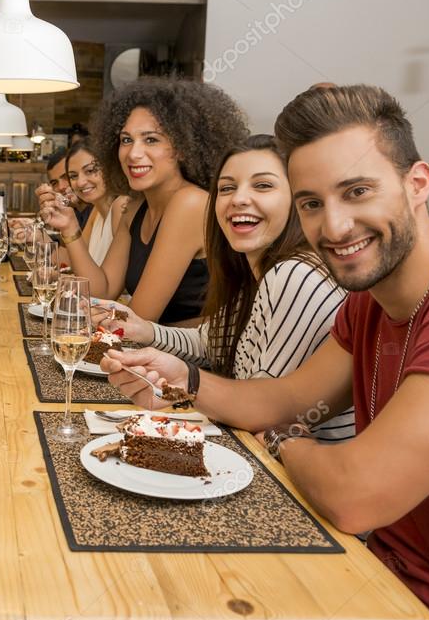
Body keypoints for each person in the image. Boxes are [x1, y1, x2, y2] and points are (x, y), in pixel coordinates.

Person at [102, 85, 429, 620]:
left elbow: (352, 496)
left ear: (417, 183)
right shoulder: (368, 304)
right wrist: (186, 380)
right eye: (312, 203)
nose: (335, 227)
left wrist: (282, 440)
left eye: (357, 191)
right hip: (366, 574)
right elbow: (283, 398)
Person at [96, 135, 352, 441]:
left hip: (299, 463)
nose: (239, 199)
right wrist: (143, 330)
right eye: (227, 188)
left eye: (263, 185)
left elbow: (262, 409)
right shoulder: (251, 274)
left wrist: (189, 383)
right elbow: (209, 343)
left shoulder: (294, 274)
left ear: (299, 201)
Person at [41, 78, 248, 325]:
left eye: (151, 139)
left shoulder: (190, 203)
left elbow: (139, 319)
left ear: (183, 147)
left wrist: (96, 314)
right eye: (126, 140)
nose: (133, 153)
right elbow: (102, 290)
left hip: (188, 349)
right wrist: (69, 228)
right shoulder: (134, 208)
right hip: (147, 344)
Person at [58, 138, 131, 265]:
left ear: (110, 168)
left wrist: (69, 226)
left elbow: (112, 279)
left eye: (90, 171)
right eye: (73, 176)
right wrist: (37, 237)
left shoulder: (121, 206)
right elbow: (76, 263)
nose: (80, 182)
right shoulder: (96, 211)